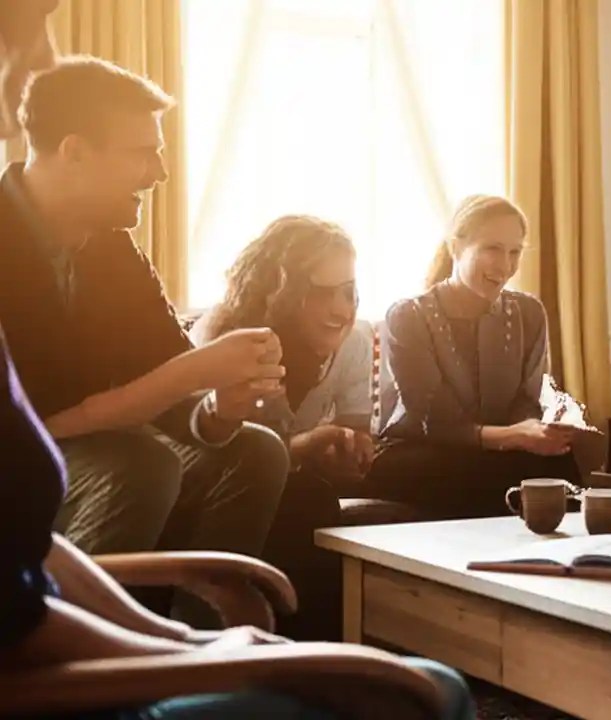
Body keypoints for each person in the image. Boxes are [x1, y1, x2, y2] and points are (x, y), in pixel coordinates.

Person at [0, 320, 476, 719]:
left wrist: (188, 639)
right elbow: (21, 631)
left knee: (425, 682)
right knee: (432, 691)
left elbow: (32, 553)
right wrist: (205, 661)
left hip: (99, 667)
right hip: (73, 699)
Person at [0, 58, 289, 579]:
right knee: (138, 463)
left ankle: (206, 624)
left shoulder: (111, 245)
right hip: (17, 455)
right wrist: (194, 371)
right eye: (142, 153)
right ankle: (69, 625)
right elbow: (38, 421)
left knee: (255, 450)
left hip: (83, 448)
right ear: (74, 153)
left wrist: (218, 409)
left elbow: (166, 374)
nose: (159, 174)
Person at [192, 215, 374, 641]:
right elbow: (226, 455)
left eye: (348, 292)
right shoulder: (229, 339)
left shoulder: (354, 343)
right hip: (219, 480)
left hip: (296, 477)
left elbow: (355, 429)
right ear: (280, 291)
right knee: (305, 498)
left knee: (316, 491)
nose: (341, 309)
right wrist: (306, 446)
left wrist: (350, 453)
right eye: (322, 293)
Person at [364, 195, 582, 518]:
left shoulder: (529, 313)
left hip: (501, 450)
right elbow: (435, 420)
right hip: (422, 451)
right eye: (492, 249)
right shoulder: (408, 316)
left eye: (515, 252)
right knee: (470, 471)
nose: (505, 266)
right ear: (456, 247)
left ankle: (591, 544)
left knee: (557, 461)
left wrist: (537, 434)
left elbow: (527, 400)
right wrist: (513, 437)